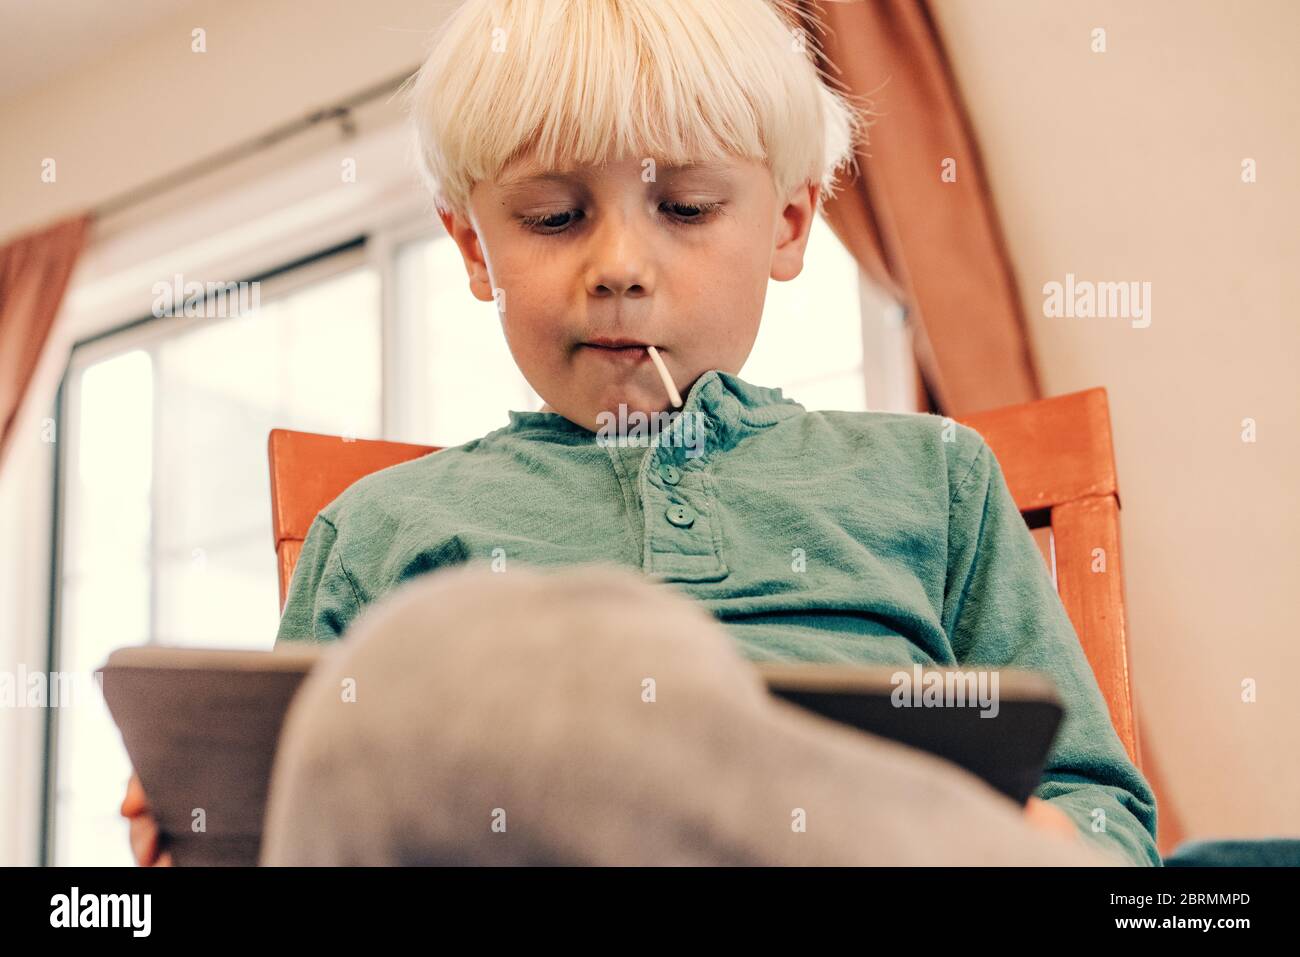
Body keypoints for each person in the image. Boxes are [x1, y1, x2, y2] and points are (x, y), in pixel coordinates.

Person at [124, 0, 1159, 866]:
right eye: (554, 218)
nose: (619, 264)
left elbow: (1106, 826)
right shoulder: (377, 530)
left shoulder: (932, 476)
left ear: (790, 224)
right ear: (472, 248)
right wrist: (207, 826)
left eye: (688, 205)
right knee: (411, 699)